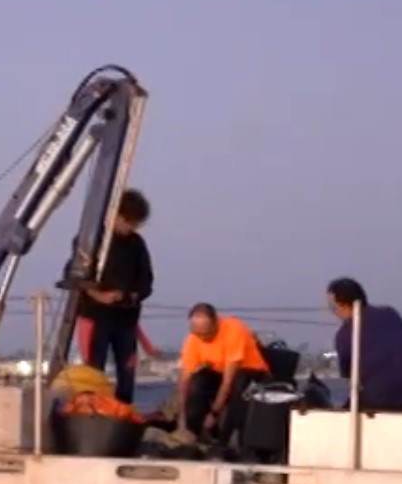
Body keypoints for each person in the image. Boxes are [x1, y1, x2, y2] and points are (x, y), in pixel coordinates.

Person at [78, 189, 154, 404]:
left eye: (136, 225)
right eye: (130, 222)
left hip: (126, 321)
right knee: (94, 372)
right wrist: (98, 295)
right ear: (117, 215)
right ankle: (93, 413)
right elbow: (74, 275)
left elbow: (146, 281)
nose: (132, 228)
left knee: (127, 373)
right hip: (95, 318)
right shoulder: (91, 237)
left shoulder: (137, 244)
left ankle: (124, 414)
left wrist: (130, 296)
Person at [327, 277, 402, 412]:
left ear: (343, 305)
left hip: (379, 399)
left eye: (332, 307)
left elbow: (349, 375)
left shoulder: (345, 335)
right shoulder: (390, 313)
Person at [176, 303, 272, 444]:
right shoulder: (193, 339)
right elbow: (184, 380)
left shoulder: (233, 329)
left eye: (206, 333)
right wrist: (182, 415)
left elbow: (228, 380)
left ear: (216, 323)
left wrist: (214, 414)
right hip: (220, 373)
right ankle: (193, 434)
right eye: (198, 333)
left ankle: (224, 440)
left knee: (239, 382)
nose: (203, 338)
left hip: (251, 374)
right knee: (197, 382)